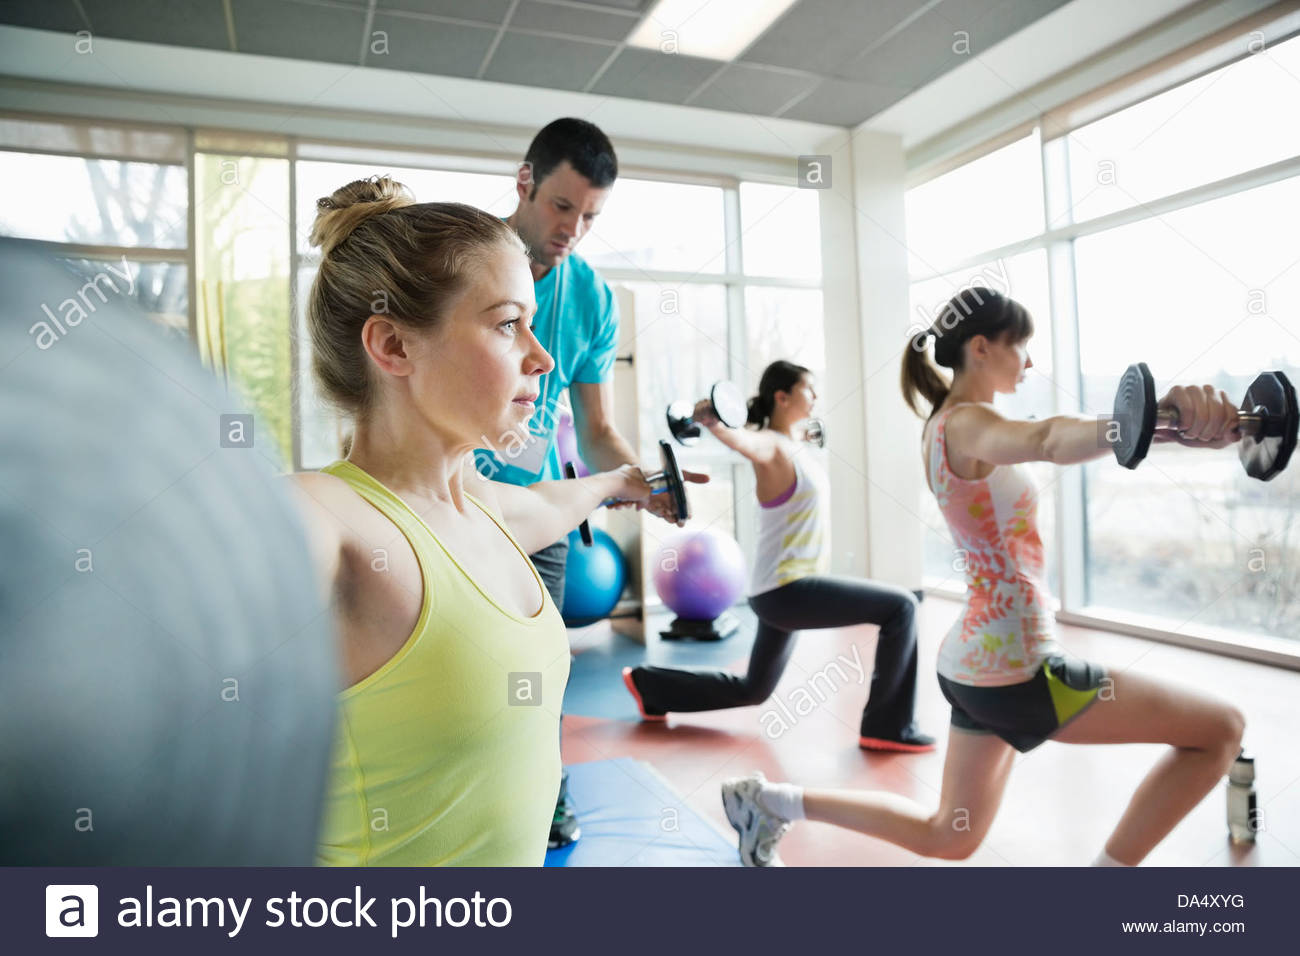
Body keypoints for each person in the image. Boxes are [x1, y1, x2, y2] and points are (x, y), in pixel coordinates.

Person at [720, 288, 1246, 867]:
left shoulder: (947, 423)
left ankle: (769, 802)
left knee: (951, 835)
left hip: (976, 664)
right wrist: (1155, 418)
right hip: (1019, 668)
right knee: (1221, 729)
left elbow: (1059, 433)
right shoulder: (968, 424)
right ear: (981, 347)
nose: (1028, 361)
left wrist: (1172, 429)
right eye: (1021, 347)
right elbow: (1048, 438)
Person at [290, 176, 654, 865]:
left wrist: (620, 482)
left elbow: (554, 501)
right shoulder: (326, 516)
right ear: (395, 346)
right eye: (508, 323)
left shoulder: (484, 507)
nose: (542, 358)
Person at [476, 117, 705, 847]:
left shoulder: (593, 299)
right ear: (526, 183)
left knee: (539, 667)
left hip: (538, 510)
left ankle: (545, 797)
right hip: (454, 502)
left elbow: (596, 426)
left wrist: (644, 480)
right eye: (562, 206)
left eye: (591, 215)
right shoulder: (463, 261)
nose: (574, 227)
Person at [622, 361, 935, 752]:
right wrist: (714, 423)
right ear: (782, 397)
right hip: (790, 590)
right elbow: (746, 442)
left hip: (777, 590)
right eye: (809, 389)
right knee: (901, 606)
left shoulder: (795, 447)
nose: (817, 397)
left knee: (754, 689)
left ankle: (650, 685)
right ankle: (888, 726)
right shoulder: (769, 444)